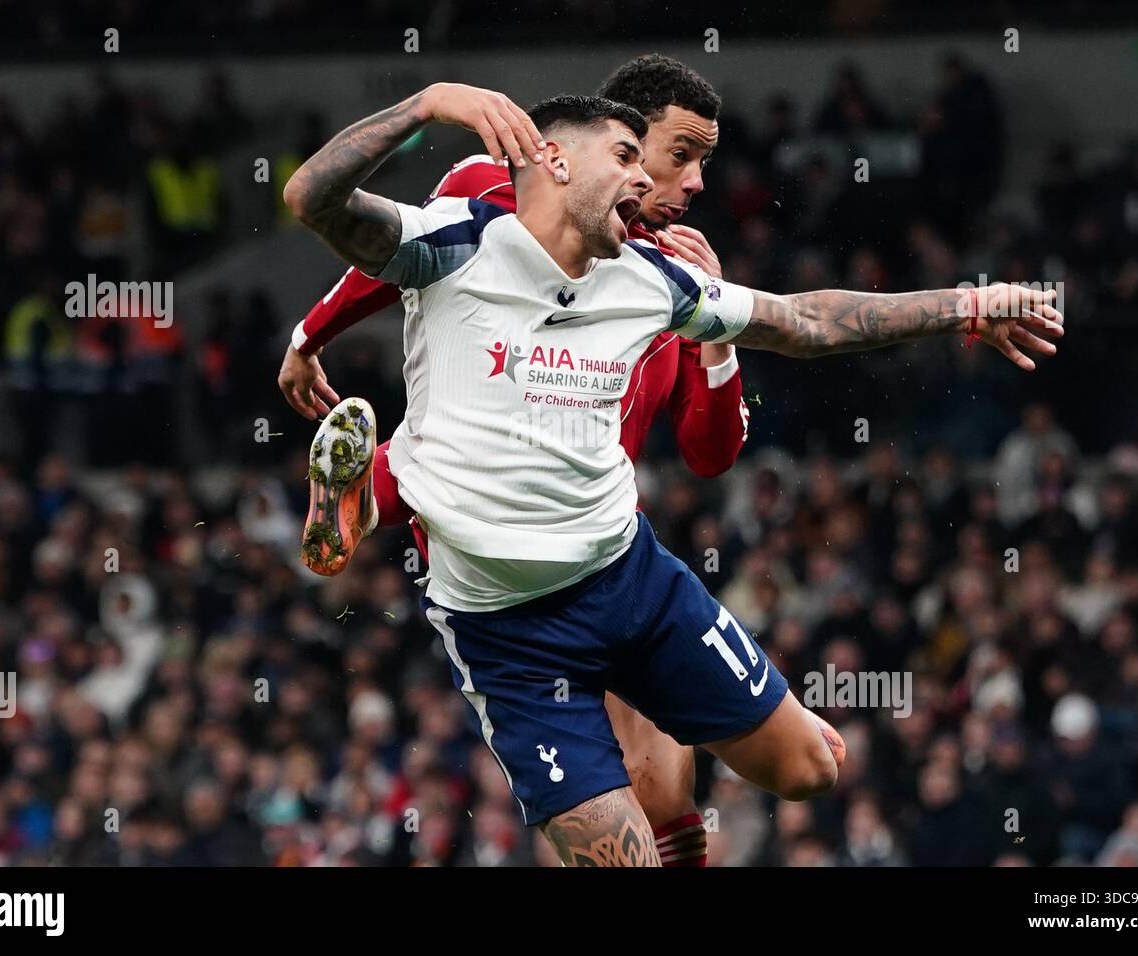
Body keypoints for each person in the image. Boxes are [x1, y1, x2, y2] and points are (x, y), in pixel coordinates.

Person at [282, 83, 1063, 865]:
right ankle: (366, 496)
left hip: (629, 581)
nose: (650, 181)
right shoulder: (458, 236)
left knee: (810, 771)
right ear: (553, 160)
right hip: (508, 632)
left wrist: (964, 303)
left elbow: (806, 322)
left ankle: (369, 495)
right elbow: (314, 200)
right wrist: (427, 105)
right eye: (628, 158)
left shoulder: (655, 280)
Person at [280, 55, 749, 866]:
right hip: (493, 516)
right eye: (682, 155)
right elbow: (394, 257)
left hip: (597, 529)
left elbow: (711, 456)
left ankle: (364, 491)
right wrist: (309, 336)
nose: (697, 181)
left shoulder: (671, 279)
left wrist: (722, 338)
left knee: (665, 786)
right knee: (445, 462)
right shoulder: (500, 195)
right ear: (620, 147)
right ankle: (364, 494)